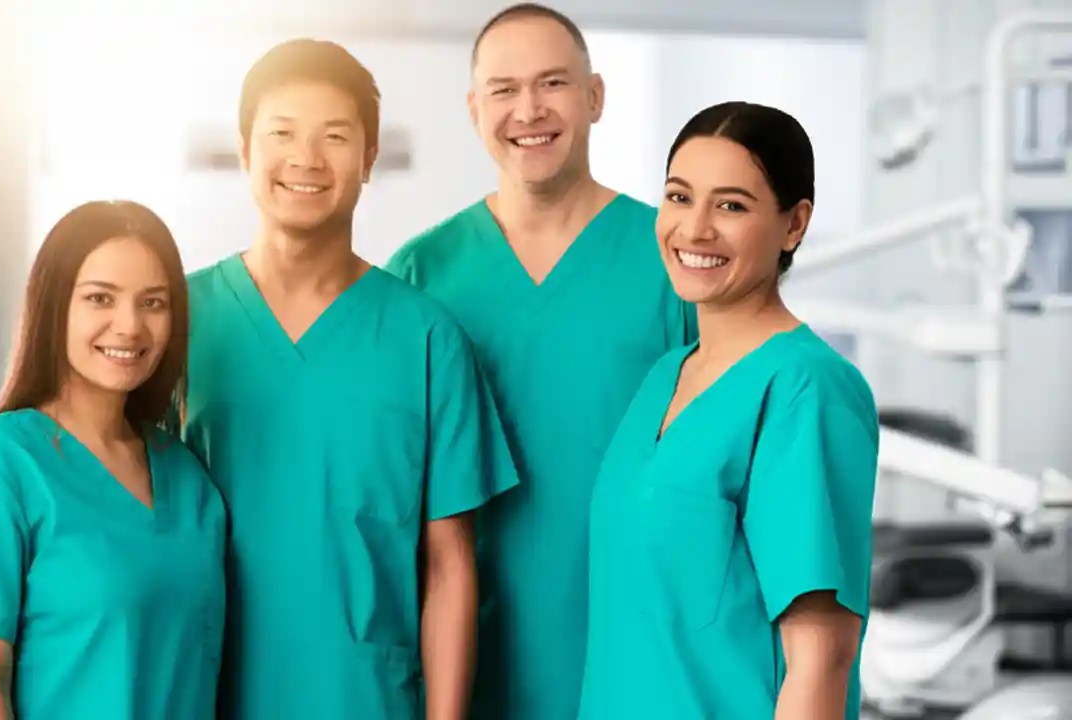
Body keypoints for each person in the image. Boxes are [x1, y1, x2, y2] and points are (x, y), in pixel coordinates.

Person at [172, 39, 518, 720]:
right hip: (200, 693)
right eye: (281, 134)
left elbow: (450, 568)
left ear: (367, 160)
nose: (306, 157)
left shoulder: (428, 340)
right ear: (245, 151)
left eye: (334, 136)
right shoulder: (178, 322)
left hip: (366, 698)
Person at [385, 5, 695, 718]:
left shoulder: (671, 262)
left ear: (594, 97)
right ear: (474, 109)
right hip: (470, 662)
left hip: (639, 651)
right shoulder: (421, 275)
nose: (529, 110)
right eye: (504, 89)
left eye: (553, 84)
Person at [576, 101, 878, 719]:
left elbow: (821, 660)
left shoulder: (804, 388)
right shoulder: (667, 373)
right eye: (680, 197)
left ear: (794, 225)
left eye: (732, 206)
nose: (695, 229)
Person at [0, 200, 228, 719]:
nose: (129, 325)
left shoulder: (189, 480)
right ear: (55, 305)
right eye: (100, 298)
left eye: (153, 303)